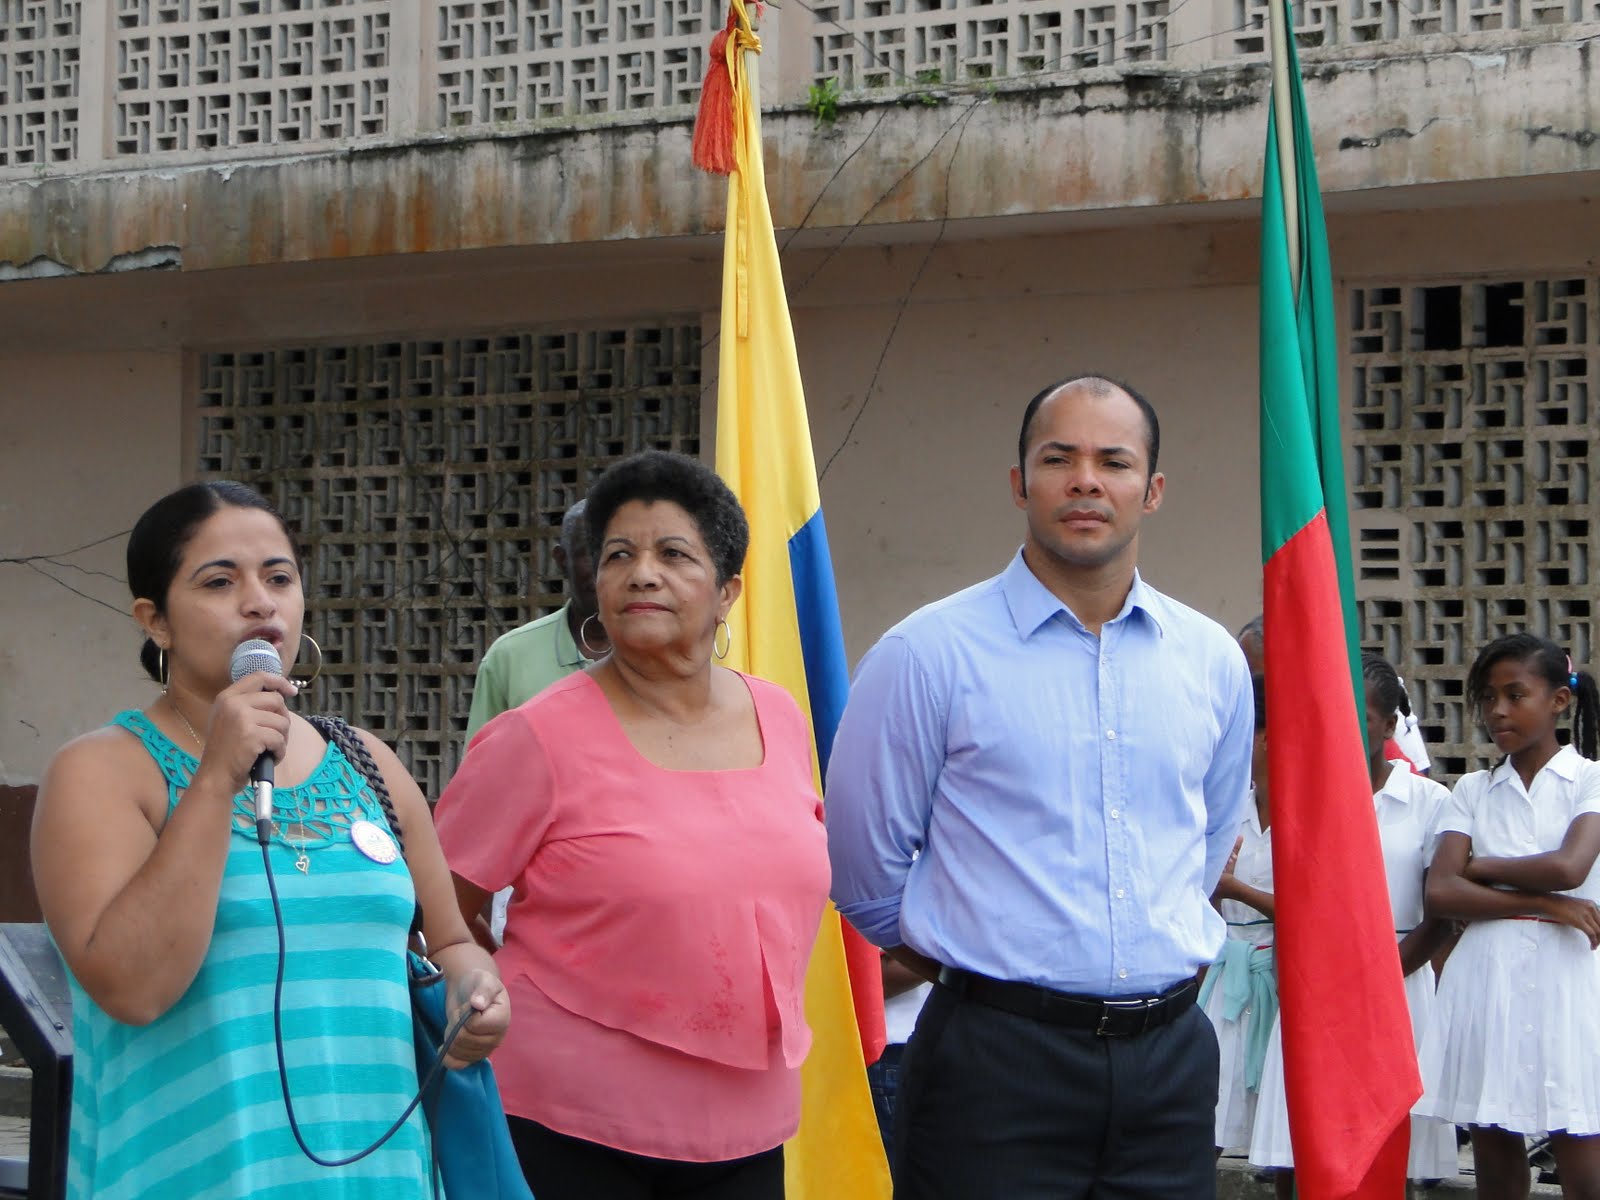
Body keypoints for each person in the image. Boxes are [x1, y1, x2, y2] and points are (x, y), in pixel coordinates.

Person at [826, 374, 1255, 1198]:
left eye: (1114, 462)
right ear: (1020, 483)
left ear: (1153, 490)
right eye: (1059, 459)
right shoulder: (927, 654)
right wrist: (985, 973)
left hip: (1169, 1065)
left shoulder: (1211, 661)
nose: (1086, 481)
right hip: (993, 1066)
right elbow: (863, 874)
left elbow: (1202, 848)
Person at [30, 481, 509, 1200]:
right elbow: (132, 988)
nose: (260, 603)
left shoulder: (367, 764)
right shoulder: (100, 771)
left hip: (384, 1175)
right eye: (220, 582)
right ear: (155, 621)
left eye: (279, 578)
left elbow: (448, 942)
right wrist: (215, 780)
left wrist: (475, 992)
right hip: (198, 1176)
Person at [433, 450, 831, 1200]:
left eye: (673, 554)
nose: (642, 574)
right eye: (619, 556)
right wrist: (484, 984)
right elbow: (437, 907)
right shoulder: (536, 736)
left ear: (728, 592)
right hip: (569, 1124)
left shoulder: (779, 715)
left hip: (750, 1124)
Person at [1248, 653, 1457, 1195]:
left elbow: (1441, 914)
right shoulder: (1302, 797)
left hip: (1398, 987)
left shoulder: (1428, 801)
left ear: (1389, 726)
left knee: (1388, 1150)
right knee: (1300, 1151)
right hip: (1318, 988)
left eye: (1359, 716)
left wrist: (1380, 977)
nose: (1342, 727)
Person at [1417, 633, 1600, 1200]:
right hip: (1484, 980)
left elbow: (1570, 866)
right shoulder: (1472, 789)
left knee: (1580, 1141)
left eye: (1515, 695)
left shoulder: (1590, 780)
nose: (1497, 710)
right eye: (1488, 698)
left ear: (1559, 701)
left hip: (1568, 980)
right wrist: (1543, 903)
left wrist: (1480, 866)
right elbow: (1440, 892)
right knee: (1493, 1144)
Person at [464, 499, 608, 943]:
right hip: (531, 894)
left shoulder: (656, 658)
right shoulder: (511, 657)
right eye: (588, 553)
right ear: (561, 559)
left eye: (616, 553)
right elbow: (479, 798)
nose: (603, 569)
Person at [1201, 673, 1275, 1158]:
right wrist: (1216, 890)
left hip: (1280, 973)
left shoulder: (1311, 815)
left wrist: (1233, 887)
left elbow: (1313, 913)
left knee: (1276, 1123)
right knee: (1214, 1112)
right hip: (1226, 974)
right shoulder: (1226, 808)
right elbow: (1203, 897)